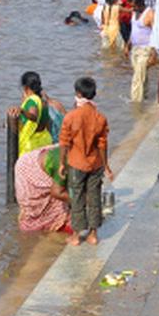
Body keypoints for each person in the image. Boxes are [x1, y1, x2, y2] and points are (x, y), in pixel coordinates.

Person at [58, 77, 112, 246]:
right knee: (94, 196)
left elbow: (64, 143)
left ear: (78, 94)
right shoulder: (100, 118)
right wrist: (106, 165)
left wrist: (61, 164)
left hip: (76, 163)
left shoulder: (71, 117)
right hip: (95, 163)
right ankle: (93, 234)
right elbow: (102, 145)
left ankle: (76, 235)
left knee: (77, 198)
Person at [14, 145, 70, 234]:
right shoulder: (61, 158)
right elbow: (57, 192)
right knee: (33, 216)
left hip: (34, 162)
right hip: (29, 171)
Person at [15, 71, 54, 156]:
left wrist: (22, 110)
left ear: (25, 88)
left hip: (33, 145)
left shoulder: (32, 100)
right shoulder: (43, 101)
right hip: (45, 140)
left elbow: (34, 116)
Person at [129, 0, 155, 102]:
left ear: (140, 4)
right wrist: (128, 44)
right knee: (140, 74)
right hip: (135, 48)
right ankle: (144, 96)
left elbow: (155, 32)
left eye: (134, 6)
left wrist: (153, 52)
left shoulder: (149, 13)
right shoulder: (134, 13)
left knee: (137, 77)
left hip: (145, 49)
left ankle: (135, 102)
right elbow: (133, 29)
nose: (133, 9)